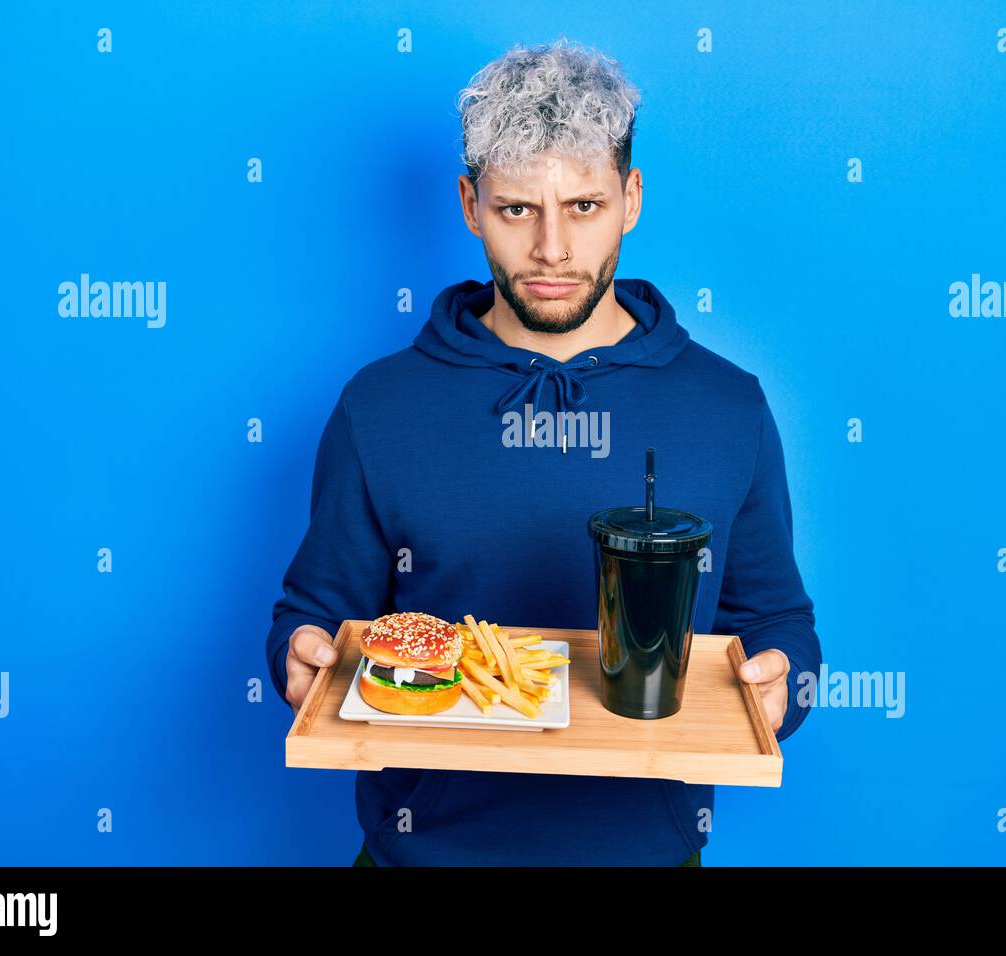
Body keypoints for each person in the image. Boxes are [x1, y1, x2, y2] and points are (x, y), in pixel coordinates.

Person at [266, 37, 821, 867]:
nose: (553, 251)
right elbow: (310, 618)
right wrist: (298, 659)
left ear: (631, 198)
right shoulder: (378, 406)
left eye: (585, 208)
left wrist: (783, 689)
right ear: (469, 203)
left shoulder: (727, 406)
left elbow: (778, 623)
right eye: (518, 209)